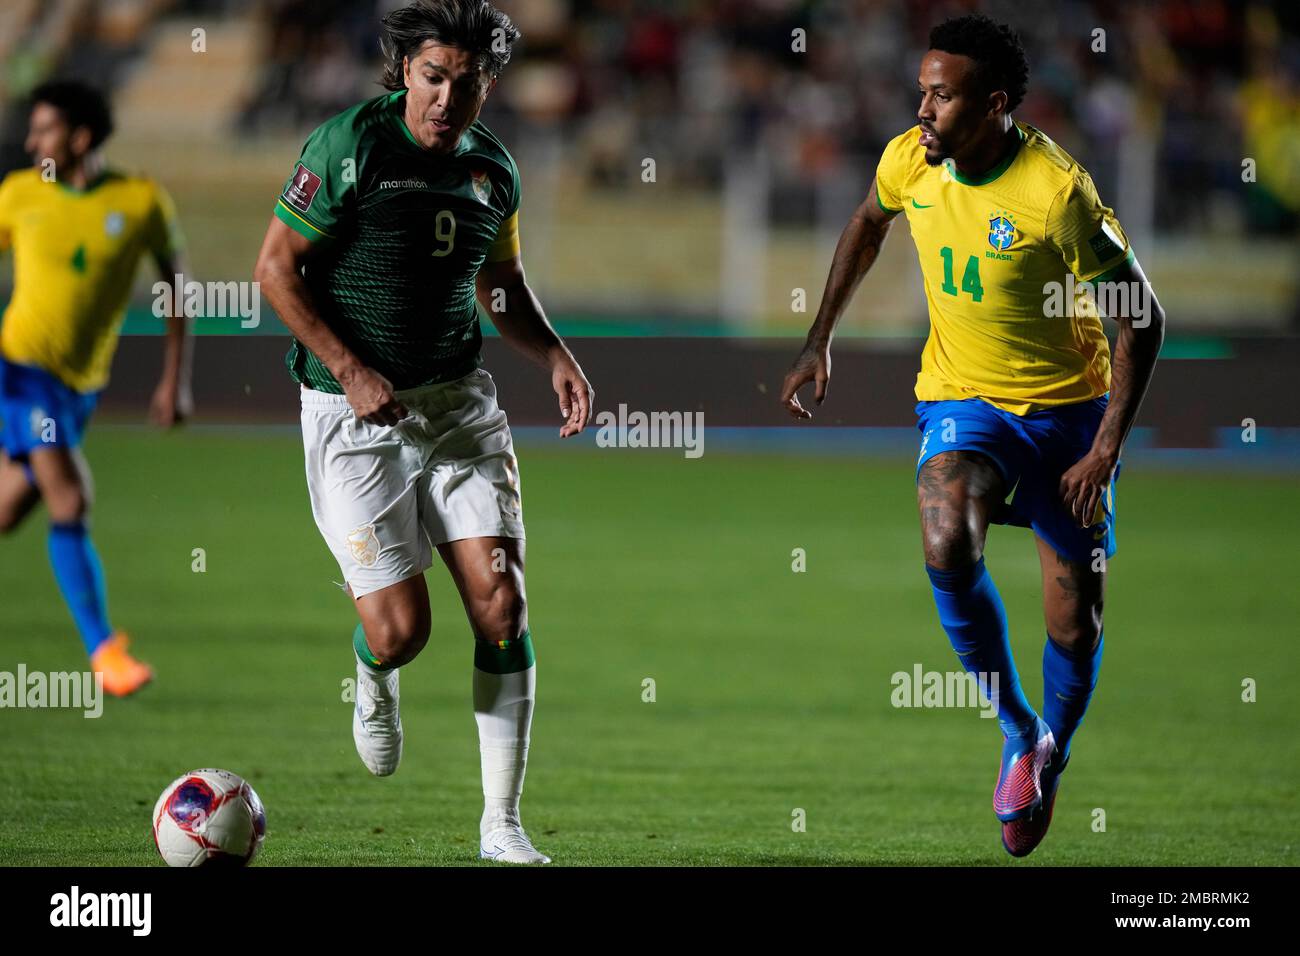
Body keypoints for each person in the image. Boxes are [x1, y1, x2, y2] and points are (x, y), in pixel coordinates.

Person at [780, 14, 1165, 857]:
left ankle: (1047, 754)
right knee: (946, 531)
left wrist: (1106, 447)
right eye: (921, 90)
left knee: (1076, 624)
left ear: (993, 105)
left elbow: (1142, 317)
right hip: (963, 400)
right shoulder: (910, 159)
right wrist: (820, 338)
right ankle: (1017, 729)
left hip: (1069, 415)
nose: (922, 109)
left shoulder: (1056, 194)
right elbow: (866, 223)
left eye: (941, 95)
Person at [253, 0, 594, 865]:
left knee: (503, 602)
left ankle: (501, 824)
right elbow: (274, 271)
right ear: (404, 69)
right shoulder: (348, 147)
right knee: (404, 631)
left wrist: (552, 353)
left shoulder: (493, 170)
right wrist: (352, 367)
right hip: (351, 414)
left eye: (467, 82)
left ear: (490, 83)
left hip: (457, 407)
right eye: (433, 77)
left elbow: (501, 283)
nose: (447, 98)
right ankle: (374, 675)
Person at [0, 80, 188, 697]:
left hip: (77, 393)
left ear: (79, 138)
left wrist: (173, 382)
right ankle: (104, 652)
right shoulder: (17, 194)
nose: (30, 142)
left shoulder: (140, 202)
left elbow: (177, 292)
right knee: (71, 498)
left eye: (44, 129)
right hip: (19, 373)